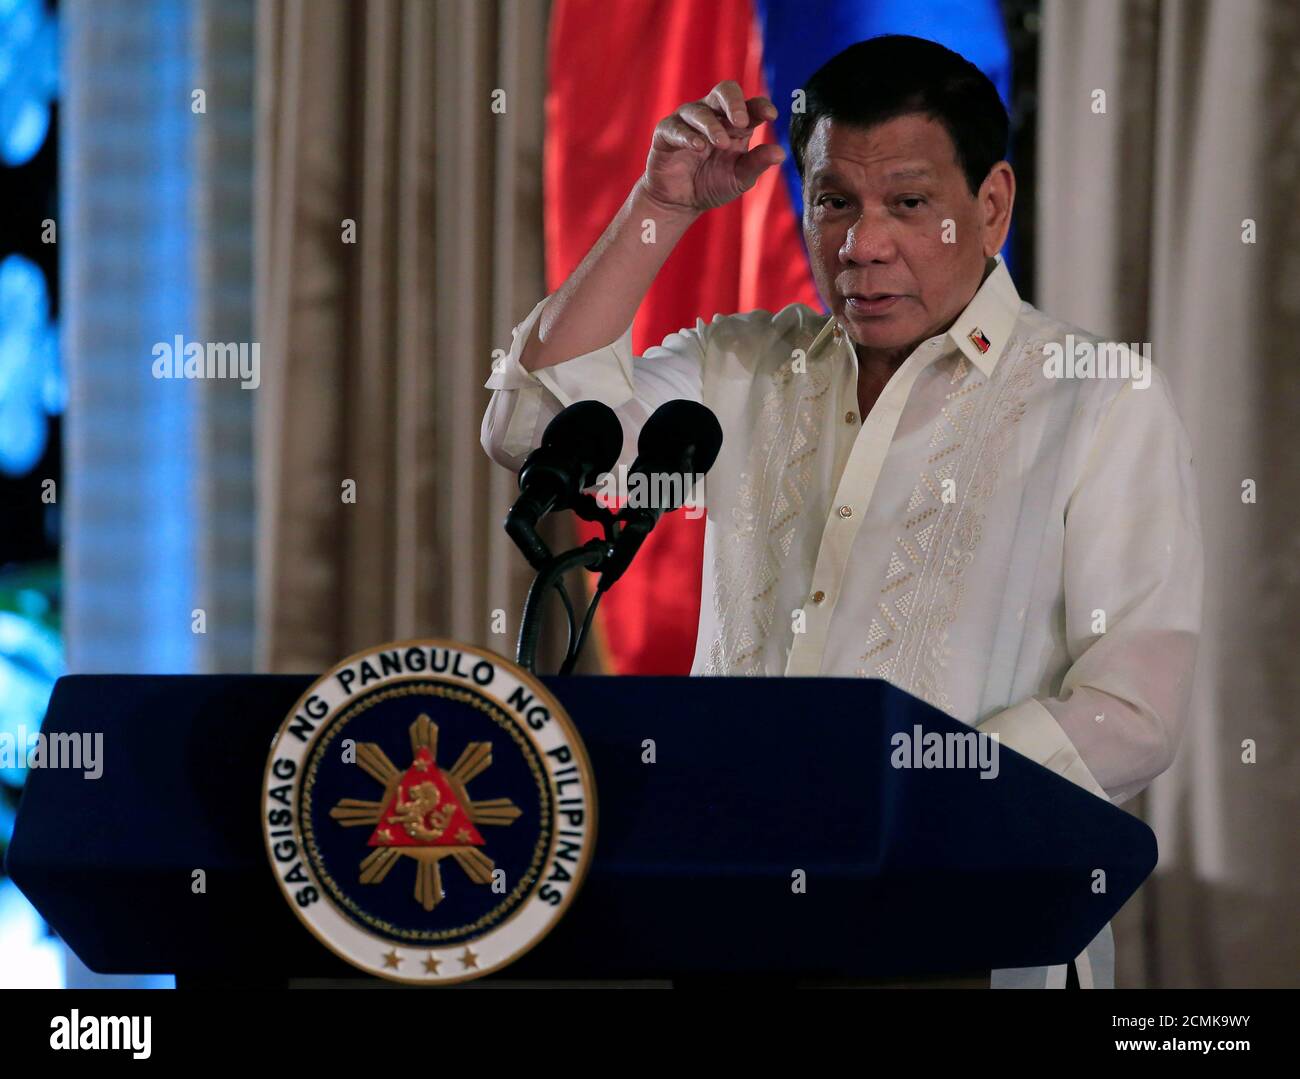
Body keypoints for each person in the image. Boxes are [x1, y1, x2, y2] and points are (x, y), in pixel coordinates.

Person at [481, 35, 1202, 988]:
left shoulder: (1099, 397)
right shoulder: (743, 367)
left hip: (963, 942)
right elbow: (535, 426)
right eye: (834, 203)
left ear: (990, 207)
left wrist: (882, 792)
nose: (863, 245)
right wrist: (658, 208)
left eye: (908, 204)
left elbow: (1131, 712)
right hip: (732, 930)